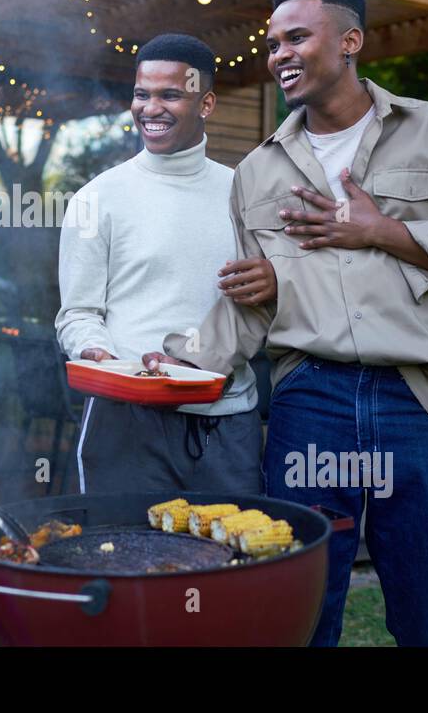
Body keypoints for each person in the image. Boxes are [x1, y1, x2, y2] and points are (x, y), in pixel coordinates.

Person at [147, 0, 428, 647]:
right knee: (297, 607)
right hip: (309, 401)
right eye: (272, 43)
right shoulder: (258, 173)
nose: (279, 53)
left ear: (351, 40)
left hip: (418, 401)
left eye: (298, 36)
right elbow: (251, 305)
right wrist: (180, 359)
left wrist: (383, 230)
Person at [56, 33, 274, 495]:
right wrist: (97, 352)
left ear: (206, 103)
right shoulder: (97, 198)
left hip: (227, 421)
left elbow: (266, 302)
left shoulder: (244, 194)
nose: (150, 108)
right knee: (126, 559)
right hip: (126, 420)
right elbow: (78, 314)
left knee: (229, 563)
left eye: (170, 94)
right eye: (142, 94)